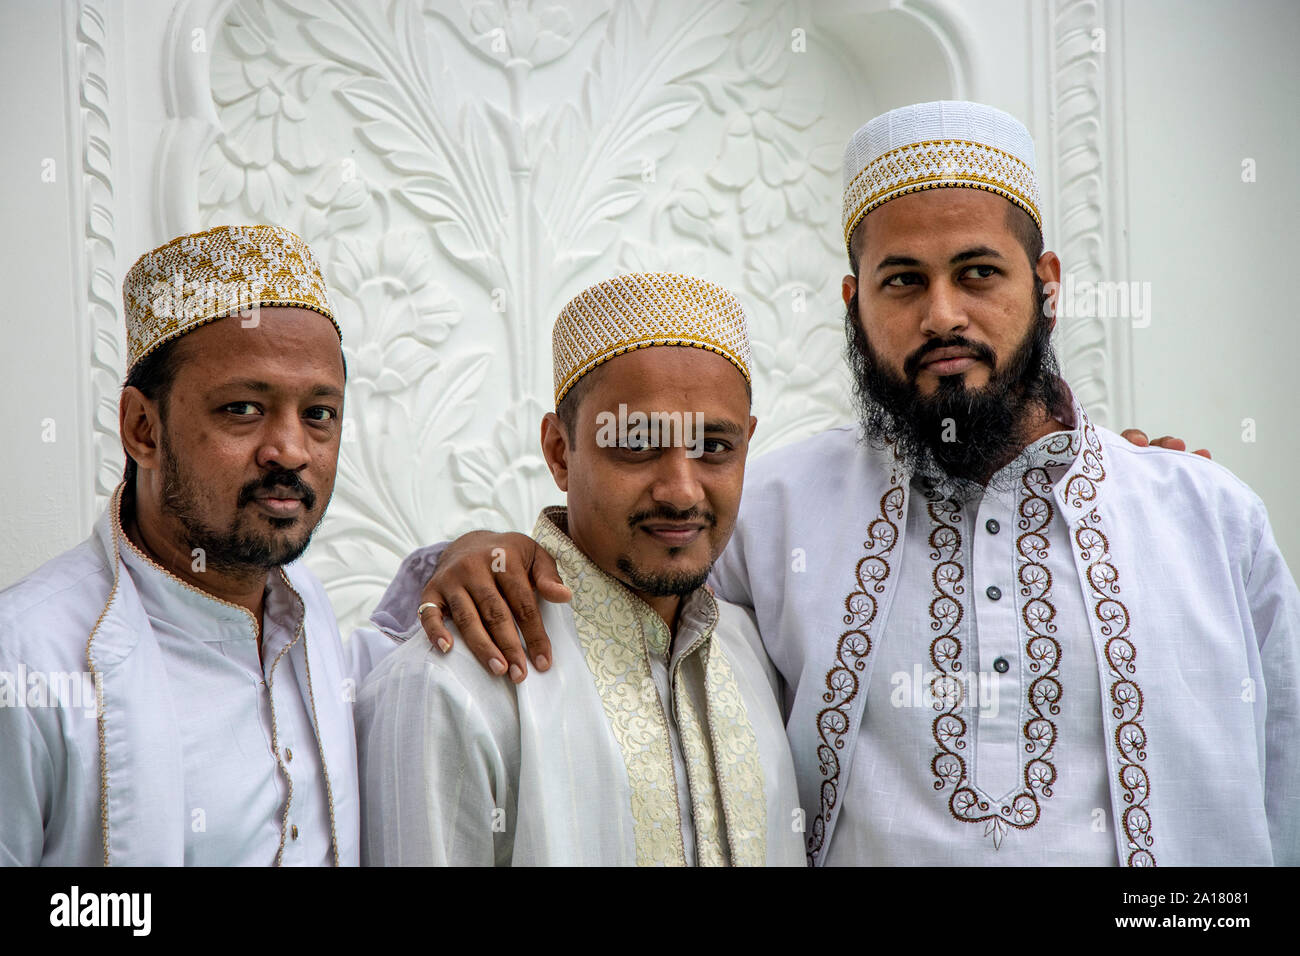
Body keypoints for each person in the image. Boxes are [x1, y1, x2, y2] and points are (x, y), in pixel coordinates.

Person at [413, 101, 1300, 866]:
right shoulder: (775, 508)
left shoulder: (1204, 516)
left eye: (979, 273)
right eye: (902, 281)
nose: (942, 313)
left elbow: (1284, 782)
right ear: (854, 304)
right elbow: (619, 596)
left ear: (1047, 283)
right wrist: (480, 552)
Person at [354, 273, 805, 865]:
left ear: (747, 443)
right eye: (637, 443)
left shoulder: (762, 657)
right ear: (559, 452)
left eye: (714, 447)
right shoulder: (450, 683)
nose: (680, 491)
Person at [0, 224, 392, 865]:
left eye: (319, 413)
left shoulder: (309, 615)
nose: (290, 450)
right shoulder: (26, 661)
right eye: (242, 408)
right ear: (142, 429)